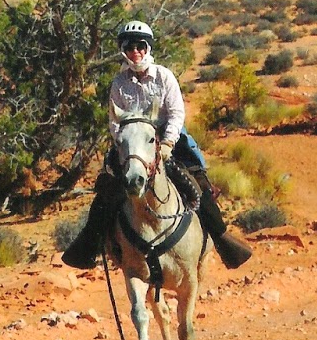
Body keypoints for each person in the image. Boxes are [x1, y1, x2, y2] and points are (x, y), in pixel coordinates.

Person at [61, 19, 252, 272]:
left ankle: (220, 238)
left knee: (197, 186)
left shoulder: (164, 77)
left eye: (140, 46)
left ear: (148, 47)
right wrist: (125, 146)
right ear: (123, 50)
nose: (135, 52)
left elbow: (176, 113)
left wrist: (167, 144)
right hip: (132, 145)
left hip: (167, 140)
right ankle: (92, 245)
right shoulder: (119, 83)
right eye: (129, 47)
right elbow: (114, 121)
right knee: (106, 193)